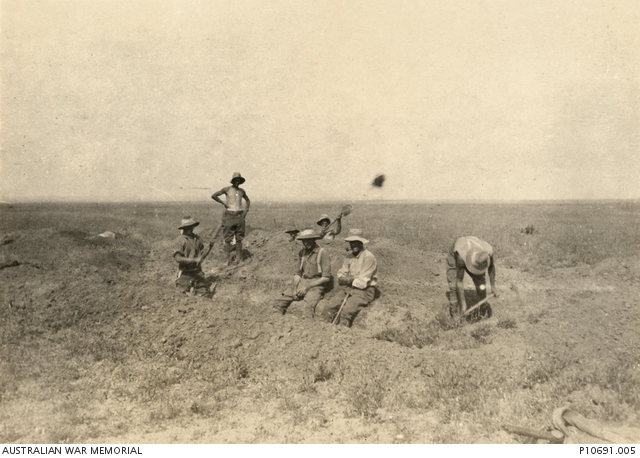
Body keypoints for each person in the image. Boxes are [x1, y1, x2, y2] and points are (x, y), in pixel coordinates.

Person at [320, 229, 378, 327]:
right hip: (349, 288)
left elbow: (362, 283)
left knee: (346, 312)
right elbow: (340, 277)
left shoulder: (368, 257)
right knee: (329, 308)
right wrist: (351, 279)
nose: (354, 245)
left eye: (357, 242)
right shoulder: (349, 257)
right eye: (352, 242)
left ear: (362, 242)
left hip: (364, 291)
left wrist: (348, 279)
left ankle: (343, 335)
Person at [273, 229, 332, 318]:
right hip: (303, 282)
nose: (305, 243)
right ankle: (277, 320)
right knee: (280, 300)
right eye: (304, 241)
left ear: (314, 239)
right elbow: (298, 274)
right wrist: (294, 289)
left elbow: (326, 278)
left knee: (308, 306)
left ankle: (306, 325)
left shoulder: (322, 252)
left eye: (308, 240)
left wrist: (307, 287)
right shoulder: (302, 253)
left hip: (316, 285)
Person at [446, 236, 498, 318]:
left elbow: (491, 267)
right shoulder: (460, 256)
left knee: (480, 281)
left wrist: (493, 286)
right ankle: (454, 315)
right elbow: (459, 281)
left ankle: (482, 310)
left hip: (473, 252)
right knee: (453, 285)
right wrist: (463, 304)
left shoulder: (487, 252)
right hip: (457, 252)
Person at [211, 173, 250, 265]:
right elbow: (214, 195)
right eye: (236, 180)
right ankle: (227, 260)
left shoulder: (242, 191)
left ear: (240, 182)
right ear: (233, 181)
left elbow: (247, 200)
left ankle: (239, 259)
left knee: (239, 238)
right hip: (229, 215)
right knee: (228, 239)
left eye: (239, 180)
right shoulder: (227, 189)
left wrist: (245, 211)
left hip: (239, 216)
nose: (237, 182)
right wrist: (223, 203)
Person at [173, 216, 213, 297]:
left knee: (205, 295)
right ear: (184, 228)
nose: (190, 229)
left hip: (197, 271)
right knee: (181, 295)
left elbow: (202, 255)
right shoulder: (180, 240)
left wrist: (210, 247)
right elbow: (177, 258)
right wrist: (192, 260)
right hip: (185, 272)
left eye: (191, 226)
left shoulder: (197, 239)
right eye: (188, 227)